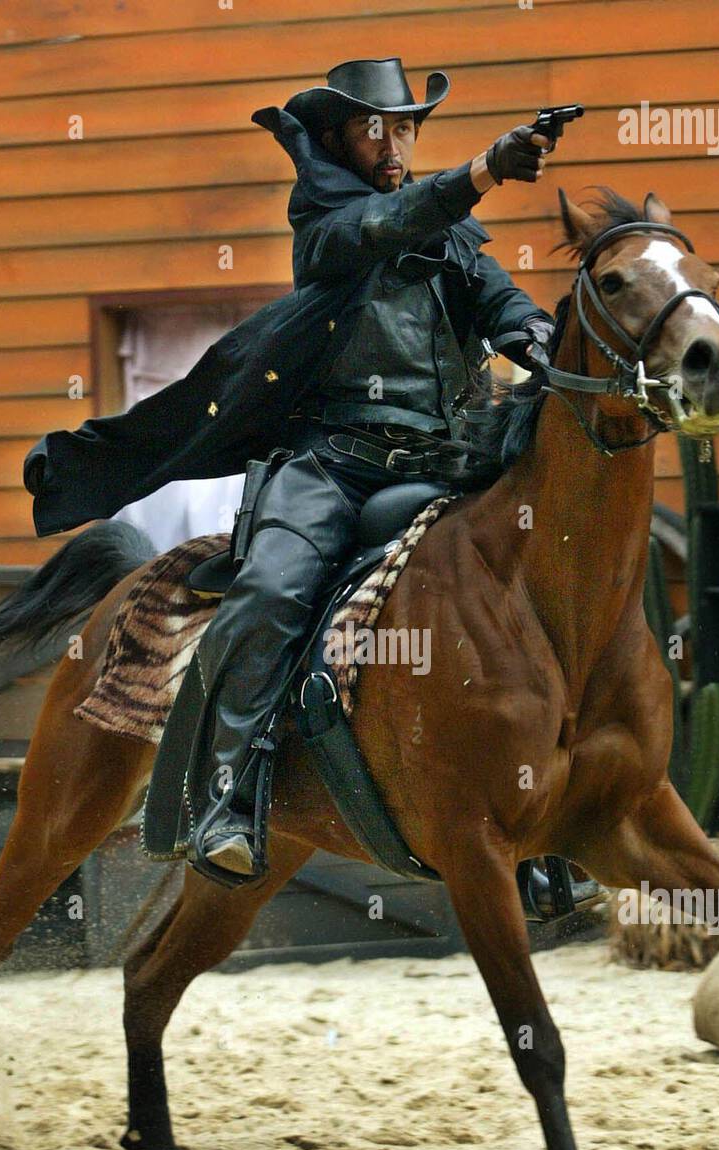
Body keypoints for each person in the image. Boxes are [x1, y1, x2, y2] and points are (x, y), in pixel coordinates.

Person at [191, 58, 557, 876]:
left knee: (536, 588)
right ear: (334, 138)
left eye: (406, 128)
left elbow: (501, 301)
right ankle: (230, 800)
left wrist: (537, 339)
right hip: (331, 467)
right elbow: (391, 222)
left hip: (442, 466)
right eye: (374, 128)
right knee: (268, 590)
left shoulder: (454, 234)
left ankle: (540, 810)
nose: (394, 143)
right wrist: (486, 169)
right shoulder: (324, 222)